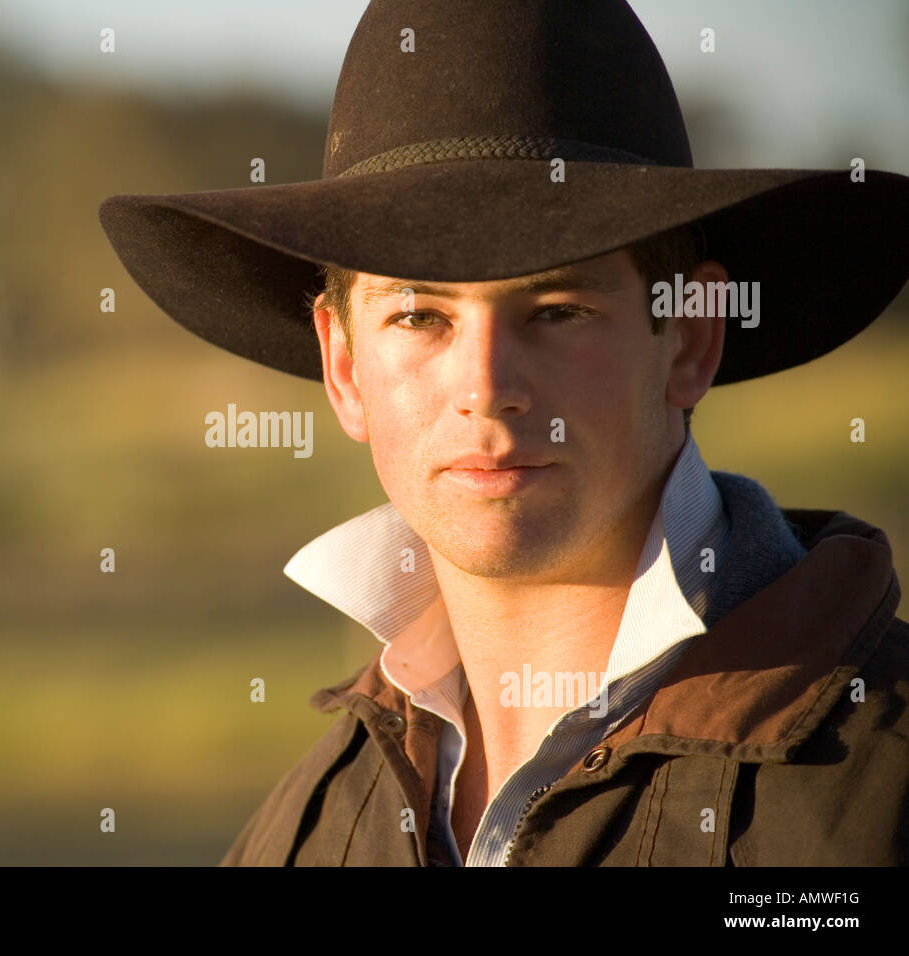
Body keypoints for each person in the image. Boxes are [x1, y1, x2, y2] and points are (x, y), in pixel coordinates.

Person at [97, 0, 909, 865]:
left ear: (692, 338)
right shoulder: (308, 830)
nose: (485, 391)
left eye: (557, 311)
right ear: (343, 369)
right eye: (419, 317)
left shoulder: (877, 799)